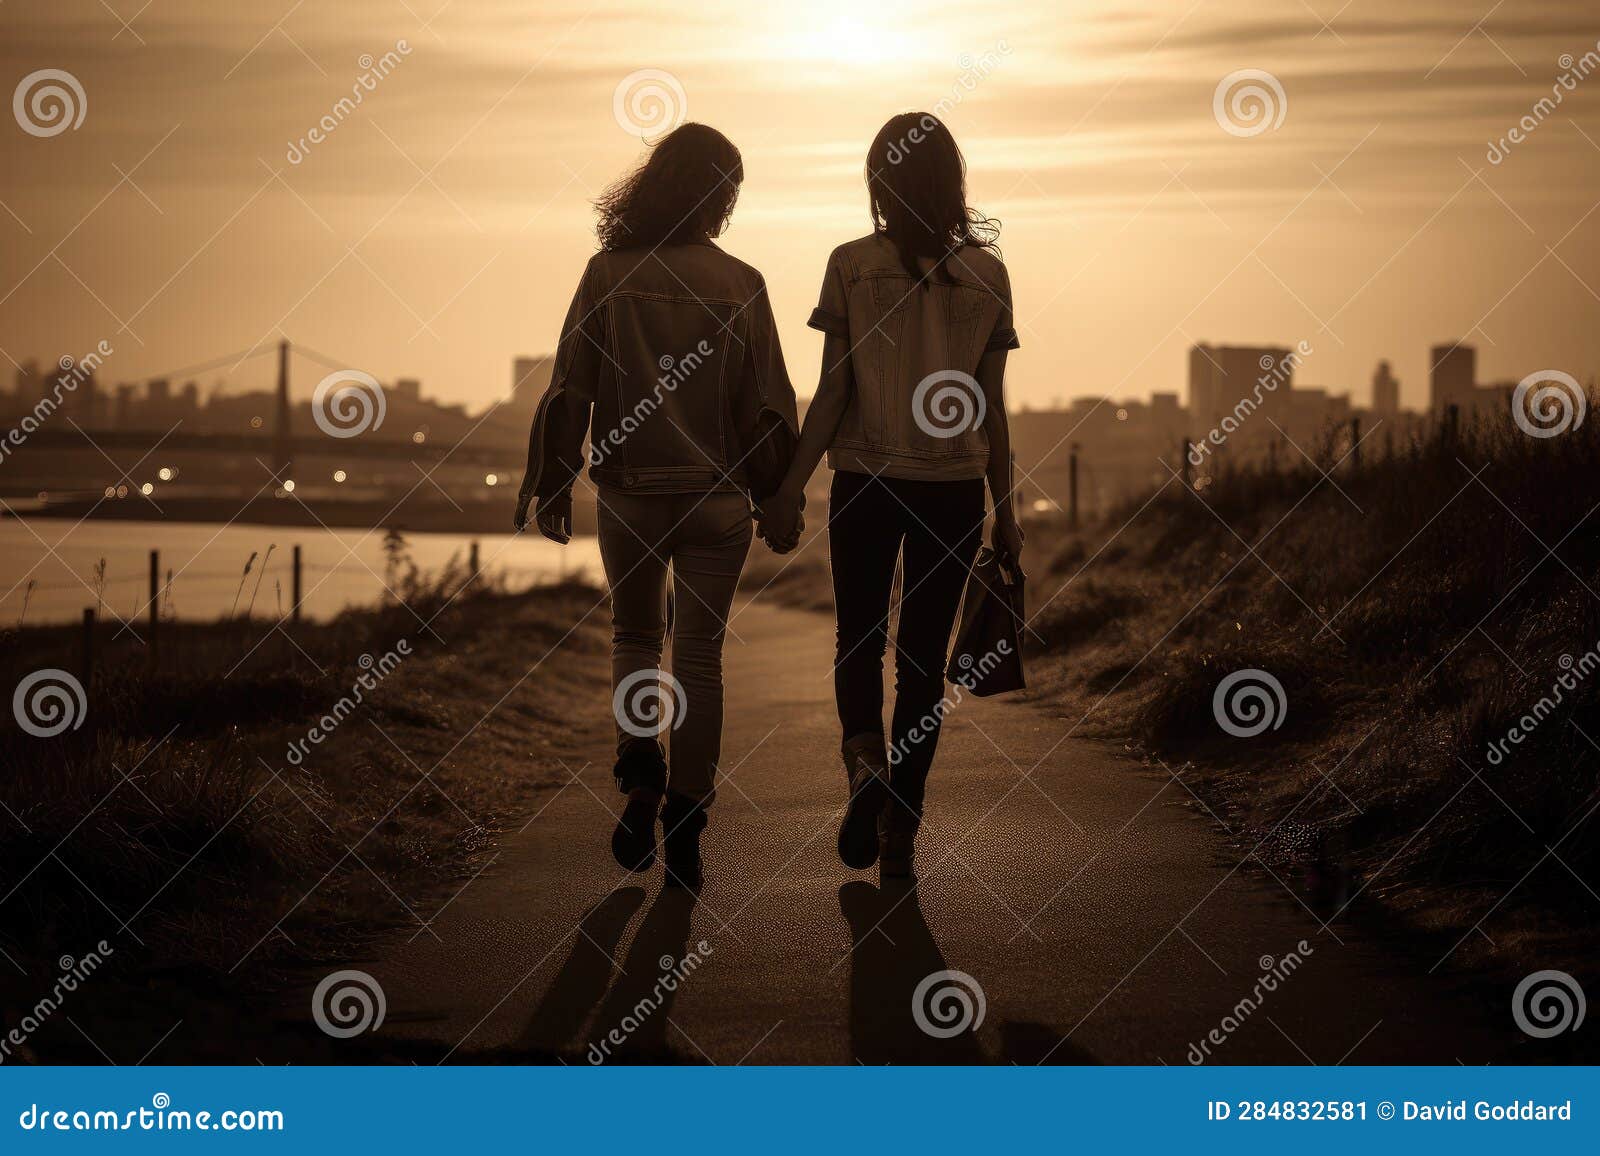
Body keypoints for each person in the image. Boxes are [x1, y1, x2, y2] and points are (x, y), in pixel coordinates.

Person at [516, 123, 799, 890]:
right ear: (723, 195)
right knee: (700, 657)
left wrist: (551, 484)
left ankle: (640, 768)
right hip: (716, 501)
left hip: (631, 496)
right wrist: (778, 497)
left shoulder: (607, 275)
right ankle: (688, 815)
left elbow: (571, 385)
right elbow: (768, 407)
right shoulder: (743, 283)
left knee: (636, 635)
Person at [761, 112, 1023, 880]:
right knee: (922, 663)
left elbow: (834, 389)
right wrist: (1008, 515)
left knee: (858, 639)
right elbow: (991, 405)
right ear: (953, 181)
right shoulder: (990, 274)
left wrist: (787, 487)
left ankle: (864, 766)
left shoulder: (849, 265)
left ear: (879, 181)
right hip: (953, 488)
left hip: (866, 483)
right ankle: (901, 822)